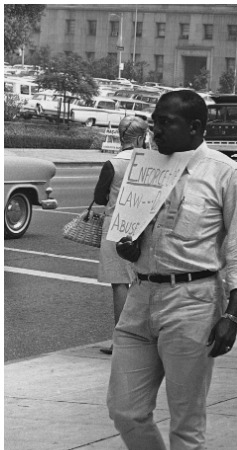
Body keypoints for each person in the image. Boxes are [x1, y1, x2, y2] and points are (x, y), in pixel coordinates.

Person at [108, 90, 237, 450]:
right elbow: (127, 233)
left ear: (196, 128)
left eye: (167, 122)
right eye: (156, 121)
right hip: (141, 298)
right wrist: (127, 242)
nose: (156, 129)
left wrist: (232, 314)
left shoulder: (224, 174)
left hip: (192, 301)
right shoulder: (143, 170)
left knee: (185, 418)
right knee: (125, 409)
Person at [93, 116, 149, 355]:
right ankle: (142, 335)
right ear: (139, 138)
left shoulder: (112, 164)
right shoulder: (149, 163)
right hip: (142, 223)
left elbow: (99, 197)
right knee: (141, 281)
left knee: (119, 283)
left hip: (115, 225)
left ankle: (122, 340)